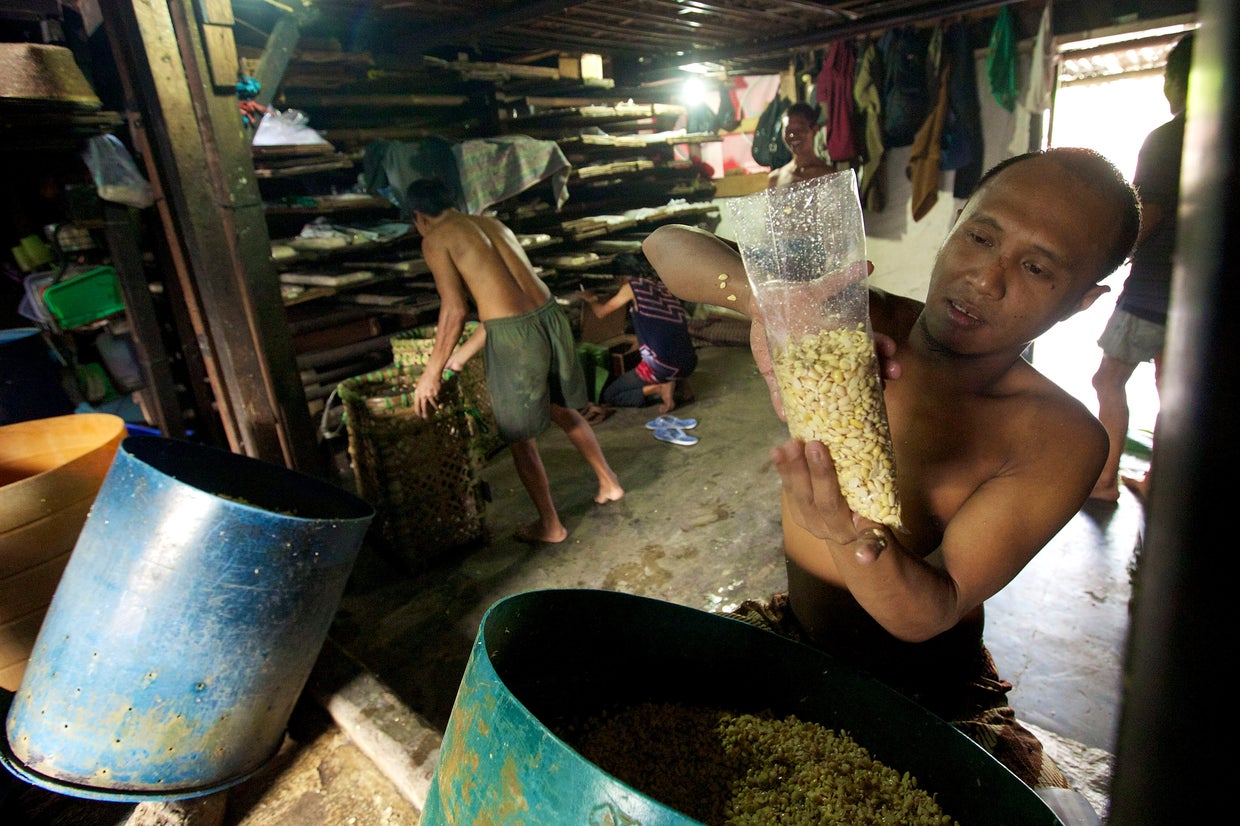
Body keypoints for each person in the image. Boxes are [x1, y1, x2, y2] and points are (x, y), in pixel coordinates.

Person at [643, 147, 1140, 800]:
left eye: (1036, 267)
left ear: (1084, 300)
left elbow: (931, 611)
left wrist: (852, 535)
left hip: (928, 697)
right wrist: (768, 303)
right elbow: (665, 244)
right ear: (957, 224)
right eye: (981, 235)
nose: (987, 279)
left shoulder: (1060, 438)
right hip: (800, 638)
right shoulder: (859, 318)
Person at [405, 178, 624, 544]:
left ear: (418, 217)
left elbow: (456, 310)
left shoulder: (436, 238)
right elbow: (503, 308)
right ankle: (609, 483)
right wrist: (455, 359)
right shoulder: (491, 224)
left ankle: (551, 526)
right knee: (561, 409)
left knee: (519, 436)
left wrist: (431, 372)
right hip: (549, 317)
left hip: (515, 333)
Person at [1089, 31, 1193, 504]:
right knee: (1173, 393)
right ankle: (1160, 483)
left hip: (1153, 290)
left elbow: (1146, 212)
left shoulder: (1171, 138)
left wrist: (1104, 262)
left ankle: (1105, 481)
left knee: (1108, 378)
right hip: (1194, 298)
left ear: (1176, 79)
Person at [578, 251, 697, 414]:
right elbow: (664, 326)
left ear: (619, 277)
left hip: (662, 366)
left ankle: (659, 388)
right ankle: (684, 388)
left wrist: (590, 299)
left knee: (610, 394)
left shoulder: (631, 287)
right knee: (672, 344)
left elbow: (601, 312)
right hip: (688, 361)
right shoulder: (660, 284)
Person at [766, 102, 832, 189]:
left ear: (815, 129)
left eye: (799, 129)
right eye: (788, 131)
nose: (792, 135)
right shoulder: (775, 178)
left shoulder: (830, 176)